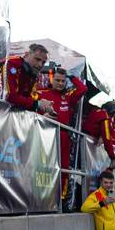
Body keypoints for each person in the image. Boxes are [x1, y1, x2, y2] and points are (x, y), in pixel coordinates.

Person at [35, 64, 88, 208]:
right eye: (57, 80)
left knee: (63, 168)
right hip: (45, 134)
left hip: (64, 136)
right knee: (44, 167)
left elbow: (83, 89)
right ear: (51, 79)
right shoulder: (41, 93)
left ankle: (60, 199)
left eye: (63, 81)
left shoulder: (67, 96)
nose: (60, 84)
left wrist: (71, 76)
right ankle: (41, 197)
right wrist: (42, 115)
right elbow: (30, 109)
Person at [0, 43, 52, 114]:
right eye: (37, 59)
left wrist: (42, 105)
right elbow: (9, 96)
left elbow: (25, 98)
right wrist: (37, 104)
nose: (40, 65)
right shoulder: (11, 65)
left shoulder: (32, 74)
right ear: (26, 55)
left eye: (43, 62)